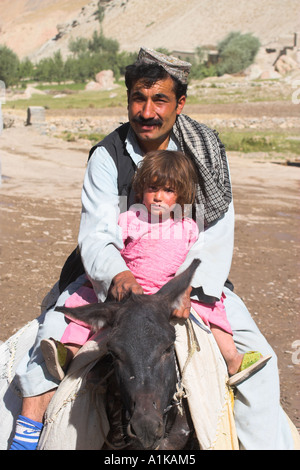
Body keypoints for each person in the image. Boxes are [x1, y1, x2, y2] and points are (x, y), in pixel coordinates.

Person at [10, 47, 296, 450]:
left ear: (179, 104)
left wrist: (189, 289)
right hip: (113, 282)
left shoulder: (205, 151)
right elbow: (97, 233)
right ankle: (26, 434)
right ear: (128, 100)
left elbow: (217, 229)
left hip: (190, 282)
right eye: (138, 99)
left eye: (159, 99)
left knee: (259, 364)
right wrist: (118, 276)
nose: (147, 111)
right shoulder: (106, 157)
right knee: (43, 356)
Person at [41, 150, 271, 387]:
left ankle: (232, 357)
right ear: (141, 190)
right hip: (131, 292)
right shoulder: (130, 219)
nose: (159, 197)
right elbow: (107, 246)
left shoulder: (189, 226)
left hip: (166, 294)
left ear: (180, 194)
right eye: (153, 189)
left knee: (213, 304)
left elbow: (197, 258)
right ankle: (68, 354)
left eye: (168, 191)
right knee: (86, 306)